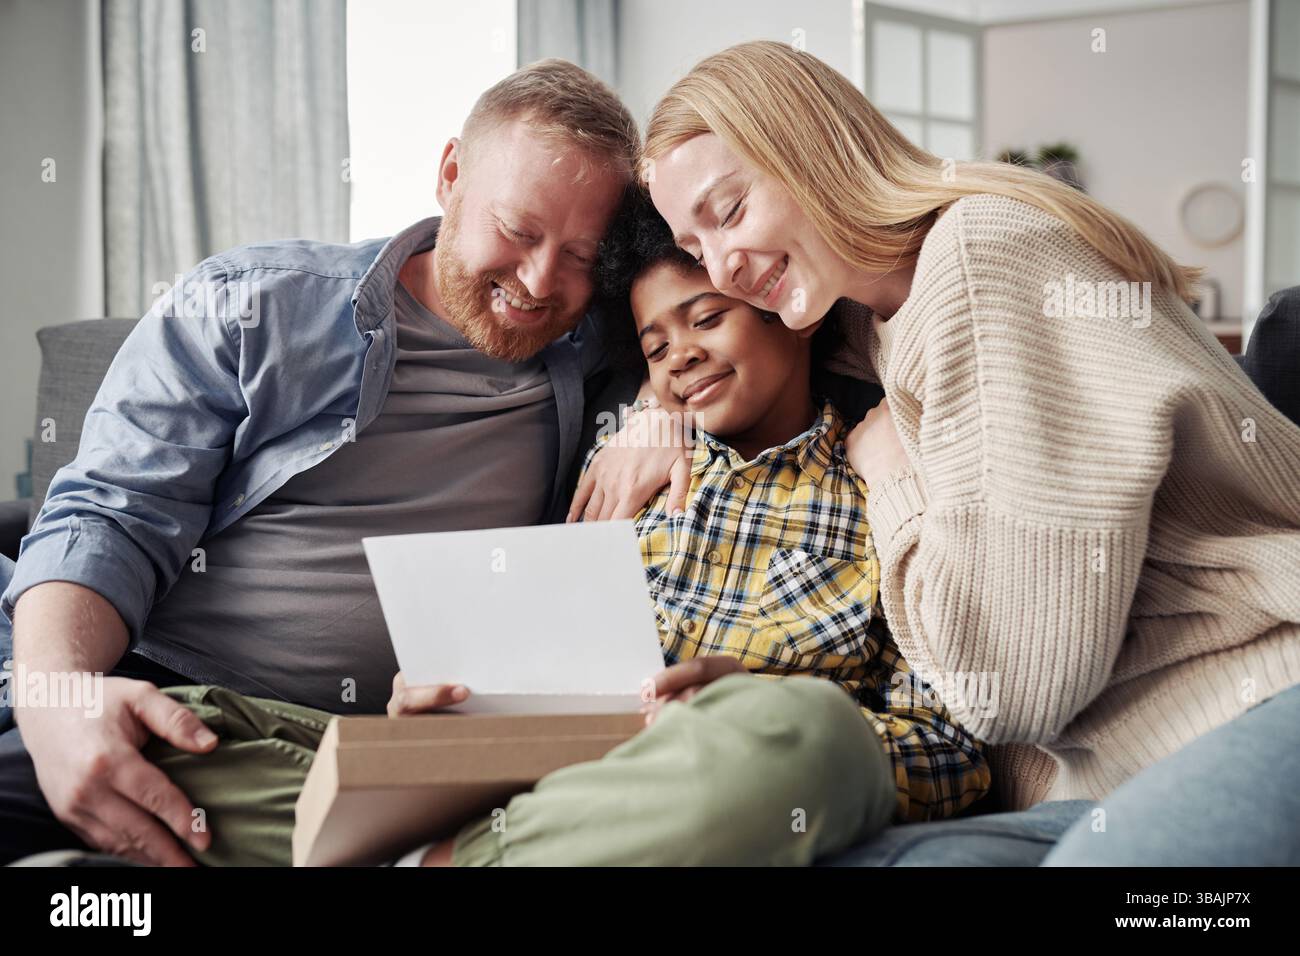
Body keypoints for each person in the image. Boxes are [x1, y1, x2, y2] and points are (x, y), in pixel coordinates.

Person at [20, 192, 986, 868]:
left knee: (807, 741)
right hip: (511, 779)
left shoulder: (876, 488)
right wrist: (443, 714)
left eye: (710, 319)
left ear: (791, 311)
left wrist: (746, 706)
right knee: (169, 728)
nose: (682, 355)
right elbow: (519, 687)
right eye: (657, 345)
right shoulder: (619, 470)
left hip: (690, 784)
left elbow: (954, 750)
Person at [586, 39, 1300, 865]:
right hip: (1098, 780)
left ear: (810, 152)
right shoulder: (872, 311)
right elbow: (722, 348)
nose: (726, 267)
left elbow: (1016, 691)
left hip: (1248, 697)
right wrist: (656, 408)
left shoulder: (981, 257)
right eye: (697, 246)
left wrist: (890, 477)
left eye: (731, 211)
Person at [0, 58, 637, 866]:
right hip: (154, 683)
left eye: (582, 255)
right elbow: (107, 517)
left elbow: (728, 322)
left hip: (366, 753)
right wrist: (59, 703)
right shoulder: (252, 305)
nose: (541, 281)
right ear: (451, 176)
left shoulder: (595, 347)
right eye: (517, 231)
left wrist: (664, 415)